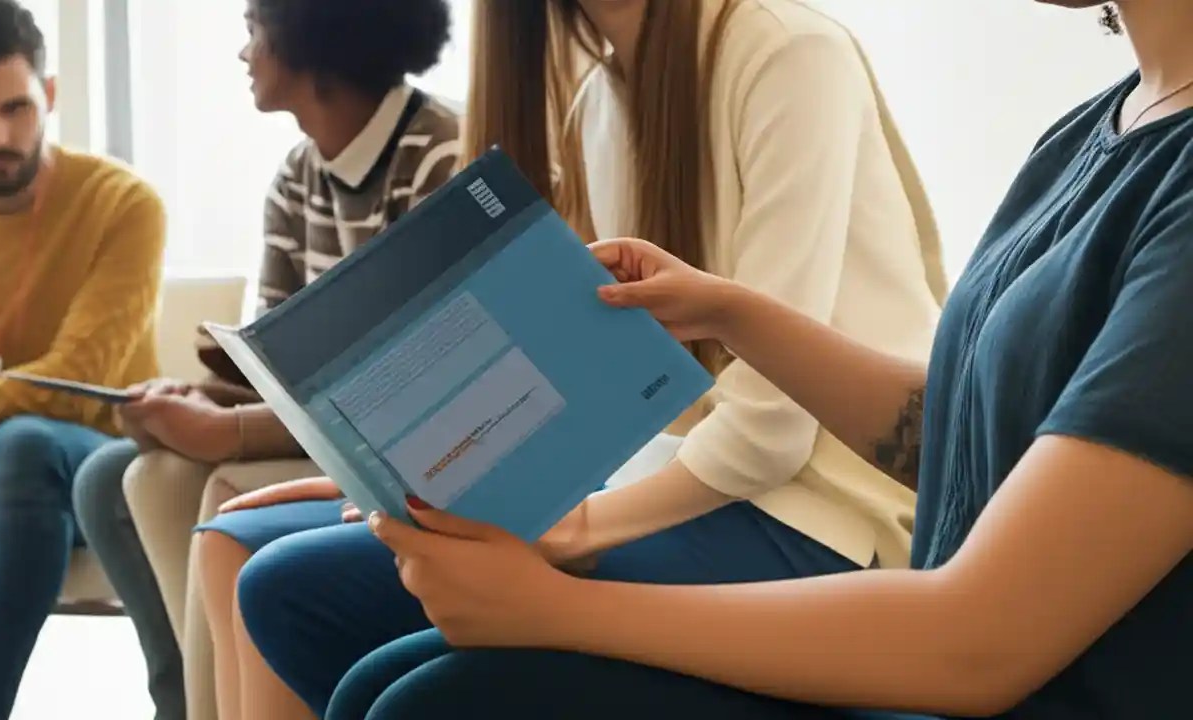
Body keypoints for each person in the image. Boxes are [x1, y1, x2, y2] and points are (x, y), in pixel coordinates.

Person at [326, 1, 1193, 718]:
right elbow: (965, 444)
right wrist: (734, 314)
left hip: (982, 680)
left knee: (428, 704)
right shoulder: (1096, 130)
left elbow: (982, 640)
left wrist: (558, 607)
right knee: (383, 685)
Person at [231, 0, 949, 715]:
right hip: (697, 484)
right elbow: (601, 390)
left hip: (829, 517)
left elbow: (773, 428)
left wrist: (578, 528)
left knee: (371, 675)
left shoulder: (790, 53)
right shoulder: (597, 105)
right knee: (282, 585)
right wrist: (397, 477)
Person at [69, 0, 460, 718]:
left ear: (313, 33)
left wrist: (231, 431)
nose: (243, 52)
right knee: (125, 473)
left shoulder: (437, 154)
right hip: (326, 423)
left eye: (253, 28)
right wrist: (189, 399)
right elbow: (279, 365)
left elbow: (413, 392)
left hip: (406, 444)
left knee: (223, 484)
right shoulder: (297, 175)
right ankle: (188, 702)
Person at [0, 0, 166, 717]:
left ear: (49, 94)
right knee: (7, 438)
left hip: (96, 468)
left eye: (16, 108)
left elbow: (66, 394)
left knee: (22, 439)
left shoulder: (123, 204)